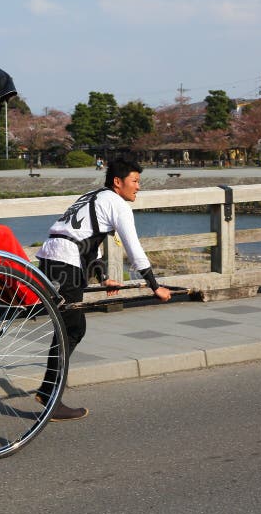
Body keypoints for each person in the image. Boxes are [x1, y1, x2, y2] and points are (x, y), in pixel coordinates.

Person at [35, 154, 172, 421]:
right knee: (72, 328)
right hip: (65, 261)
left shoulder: (93, 196)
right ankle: (50, 397)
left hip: (50, 257)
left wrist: (102, 277)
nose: (138, 187)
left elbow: (88, 244)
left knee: (68, 327)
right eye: (135, 181)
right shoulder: (118, 205)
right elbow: (135, 250)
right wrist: (155, 286)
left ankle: (48, 392)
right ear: (118, 182)